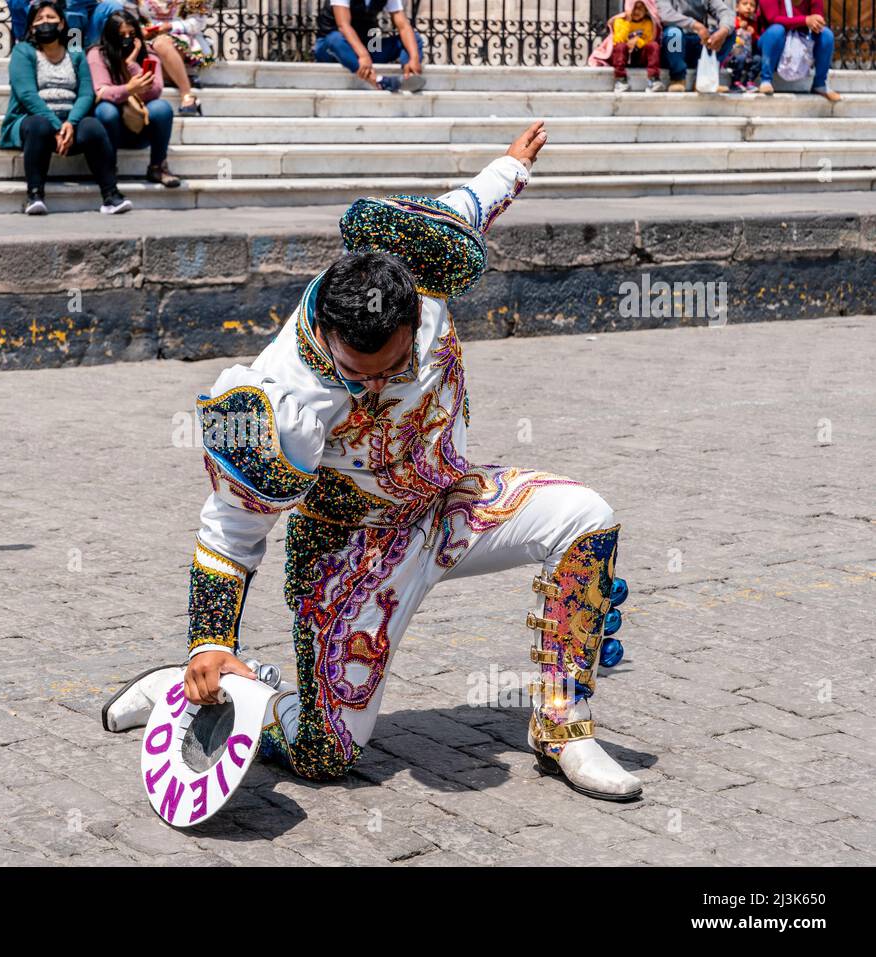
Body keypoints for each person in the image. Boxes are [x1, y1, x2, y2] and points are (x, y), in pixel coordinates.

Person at [103, 120, 644, 804]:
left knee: (587, 517)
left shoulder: (420, 266)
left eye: (387, 369)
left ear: (414, 317)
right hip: (353, 549)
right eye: (353, 375)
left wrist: (512, 165)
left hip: (450, 504)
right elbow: (231, 528)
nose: (371, 386)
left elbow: (469, 203)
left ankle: (565, 728)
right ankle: (224, 692)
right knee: (328, 752)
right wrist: (210, 640)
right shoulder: (286, 395)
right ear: (326, 332)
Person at [0, 0, 131, 215]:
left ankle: (111, 196)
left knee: (94, 127)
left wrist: (71, 122)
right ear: (31, 26)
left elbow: (86, 92)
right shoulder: (23, 51)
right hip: (33, 122)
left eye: (51, 18)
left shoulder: (75, 48)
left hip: (69, 122)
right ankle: (34, 195)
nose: (45, 23)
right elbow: (26, 95)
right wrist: (56, 125)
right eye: (39, 19)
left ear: (61, 23)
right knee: (39, 126)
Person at [88, 10, 180, 188]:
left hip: (139, 123)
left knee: (162, 108)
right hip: (110, 126)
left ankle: (158, 166)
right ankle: (108, 167)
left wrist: (132, 65)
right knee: (106, 110)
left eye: (132, 34)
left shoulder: (149, 54)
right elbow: (102, 90)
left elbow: (155, 91)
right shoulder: (98, 55)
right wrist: (129, 89)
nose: (127, 39)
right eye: (121, 35)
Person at [313, 0, 426, 93]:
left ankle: (410, 76)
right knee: (335, 39)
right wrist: (363, 55)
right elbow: (343, 25)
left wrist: (414, 58)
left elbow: (403, 26)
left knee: (414, 38)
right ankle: (378, 81)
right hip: (332, 46)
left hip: (366, 46)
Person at [138, 0, 216, 114]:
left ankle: (187, 95)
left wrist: (170, 27)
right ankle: (180, 78)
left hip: (180, 36)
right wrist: (140, 29)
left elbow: (198, 22)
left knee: (161, 43)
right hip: (147, 36)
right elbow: (128, 13)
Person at [756, 0, 841, 100]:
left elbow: (816, 19)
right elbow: (773, 18)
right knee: (776, 30)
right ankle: (766, 80)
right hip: (771, 43)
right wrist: (805, 20)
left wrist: (815, 22)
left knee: (826, 35)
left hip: (799, 40)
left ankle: (820, 84)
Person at [657, 0, 735, 91]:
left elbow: (725, 12)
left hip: (699, 42)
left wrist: (724, 30)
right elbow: (666, 15)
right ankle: (677, 78)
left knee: (729, 34)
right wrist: (696, 25)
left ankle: (704, 80)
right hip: (674, 50)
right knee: (673, 34)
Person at [599, 0, 666, 93]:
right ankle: (621, 80)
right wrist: (627, 21)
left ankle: (653, 80)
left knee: (653, 45)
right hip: (623, 56)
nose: (636, 11)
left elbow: (649, 39)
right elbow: (618, 39)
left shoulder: (648, 23)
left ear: (646, 10)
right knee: (620, 46)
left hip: (640, 56)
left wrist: (636, 40)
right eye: (634, 8)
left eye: (640, 8)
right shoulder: (620, 21)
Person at [723, 0, 761, 92]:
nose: (748, 7)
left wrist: (754, 34)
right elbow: (727, 32)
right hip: (733, 55)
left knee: (758, 60)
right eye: (745, 4)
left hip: (748, 54)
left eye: (752, 5)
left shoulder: (753, 23)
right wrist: (738, 25)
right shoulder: (733, 20)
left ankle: (748, 81)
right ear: (736, 7)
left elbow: (756, 41)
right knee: (740, 58)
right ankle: (735, 82)